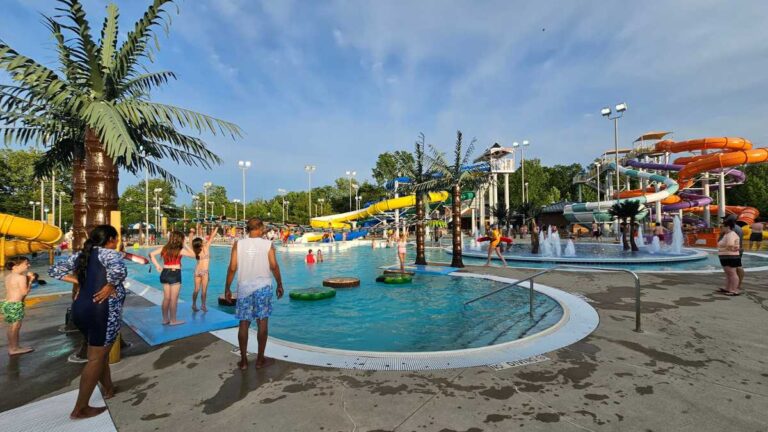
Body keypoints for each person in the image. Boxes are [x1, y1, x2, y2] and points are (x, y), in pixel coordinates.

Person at [48, 225, 127, 419]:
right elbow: (119, 271)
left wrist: (80, 282)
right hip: (102, 311)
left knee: (99, 354)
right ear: (109, 239)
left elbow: (54, 270)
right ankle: (81, 407)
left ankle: (108, 388)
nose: (116, 242)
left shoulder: (81, 255)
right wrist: (109, 285)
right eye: (115, 238)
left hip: (81, 309)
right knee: (96, 358)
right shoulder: (109, 254)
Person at [225, 218, 284, 370]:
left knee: (244, 323)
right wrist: (280, 284)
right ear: (260, 228)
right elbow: (274, 266)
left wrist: (227, 287)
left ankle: (244, 361)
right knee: (262, 322)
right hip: (263, 286)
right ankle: (259, 360)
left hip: (244, 288)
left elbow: (232, 268)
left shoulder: (239, 244)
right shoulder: (267, 244)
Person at [150, 231, 195, 325]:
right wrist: (185, 244)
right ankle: (173, 320)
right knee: (174, 299)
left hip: (164, 273)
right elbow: (193, 255)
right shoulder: (180, 249)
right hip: (175, 274)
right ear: (180, 239)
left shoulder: (164, 248)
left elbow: (151, 254)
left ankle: (165, 319)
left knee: (166, 298)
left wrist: (157, 266)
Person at [2, 256, 35, 356]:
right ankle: (13, 349)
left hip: (7, 304)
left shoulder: (8, 276)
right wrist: (30, 280)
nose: (28, 265)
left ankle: (14, 346)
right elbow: (24, 292)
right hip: (15, 304)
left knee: (12, 326)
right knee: (15, 327)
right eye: (26, 263)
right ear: (15, 266)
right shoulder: (21, 277)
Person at [191, 225, 220, 312]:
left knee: (196, 289)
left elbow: (193, 240)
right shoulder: (206, 247)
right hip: (204, 272)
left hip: (197, 271)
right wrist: (217, 227)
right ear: (201, 243)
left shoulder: (196, 250)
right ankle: (203, 305)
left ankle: (194, 305)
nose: (204, 240)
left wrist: (195, 231)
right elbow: (212, 236)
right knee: (203, 290)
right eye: (202, 240)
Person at [717, 219, 741, 296]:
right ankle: (728, 288)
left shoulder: (731, 234)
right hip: (727, 256)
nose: (721, 228)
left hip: (730, 256)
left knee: (732, 273)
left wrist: (721, 249)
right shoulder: (727, 234)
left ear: (727, 226)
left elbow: (730, 245)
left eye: (722, 226)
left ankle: (734, 290)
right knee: (728, 273)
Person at [723, 214, 745, 291]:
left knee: (736, 268)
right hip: (737, 249)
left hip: (733, 251)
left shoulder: (733, 228)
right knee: (736, 268)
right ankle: (735, 285)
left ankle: (735, 286)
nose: (723, 220)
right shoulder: (738, 228)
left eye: (725, 219)